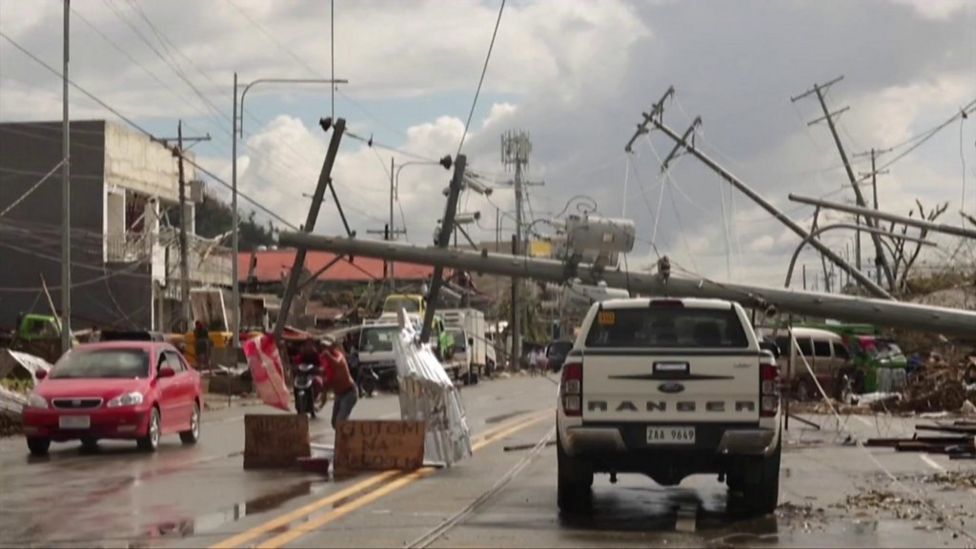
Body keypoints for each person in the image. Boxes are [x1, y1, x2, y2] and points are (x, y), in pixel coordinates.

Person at [320, 336, 358, 429]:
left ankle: (347, 436)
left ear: (333, 346)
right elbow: (327, 379)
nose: (325, 349)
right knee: (334, 422)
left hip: (349, 392)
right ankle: (347, 434)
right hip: (339, 394)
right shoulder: (324, 360)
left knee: (340, 422)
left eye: (327, 346)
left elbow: (337, 363)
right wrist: (324, 395)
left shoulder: (338, 356)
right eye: (324, 346)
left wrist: (328, 355)